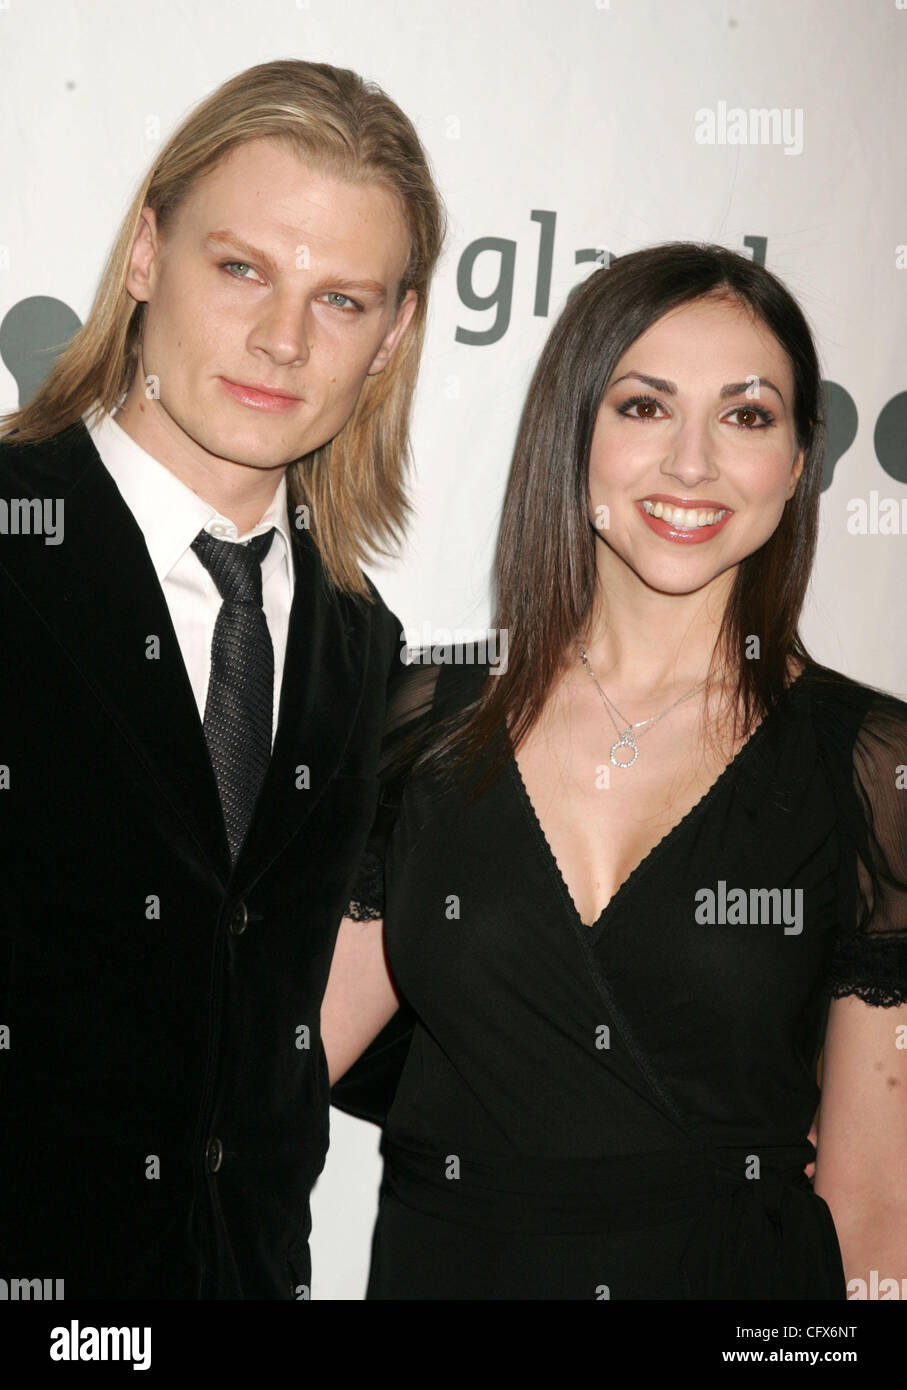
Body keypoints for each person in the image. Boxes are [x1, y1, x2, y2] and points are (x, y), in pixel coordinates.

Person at [324, 242, 907, 1299]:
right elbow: (276, 1061)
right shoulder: (420, 718)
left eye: (745, 415)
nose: (692, 464)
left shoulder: (873, 767)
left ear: (797, 461)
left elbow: (875, 1219)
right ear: (573, 435)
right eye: (643, 408)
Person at [0, 58, 445, 1298]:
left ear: (394, 330)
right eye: (240, 267)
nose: (281, 339)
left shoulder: (362, 650)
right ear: (146, 254)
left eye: (341, 298)